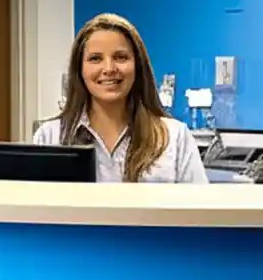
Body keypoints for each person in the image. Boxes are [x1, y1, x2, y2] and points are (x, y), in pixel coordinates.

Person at [34, 13, 208, 183]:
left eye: (120, 57)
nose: (109, 68)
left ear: (138, 66)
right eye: (95, 58)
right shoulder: (50, 137)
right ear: (80, 70)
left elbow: (201, 210)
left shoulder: (175, 138)